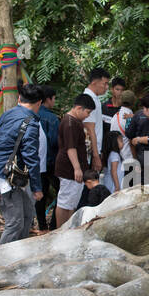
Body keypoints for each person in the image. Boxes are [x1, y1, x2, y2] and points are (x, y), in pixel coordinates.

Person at [0, 84, 44, 244]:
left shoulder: (7, 114)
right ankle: (2, 260)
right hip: (4, 177)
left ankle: (19, 253)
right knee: (15, 222)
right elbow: (31, 157)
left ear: (19, 98)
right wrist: (37, 188)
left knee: (27, 214)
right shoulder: (30, 123)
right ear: (39, 103)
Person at [54, 94, 96, 227]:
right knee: (64, 202)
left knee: (71, 201)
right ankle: (61, 230)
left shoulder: (75, 121)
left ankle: (69, 227)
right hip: (69, 168)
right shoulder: (70, 123)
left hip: (75, 168)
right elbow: (70, 147)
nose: (88, 116)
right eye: (87, 112)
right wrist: (77, 168)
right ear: (78, 108)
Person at [35, 87, 60, 233]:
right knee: (62, 191)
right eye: (54, 98)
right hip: (51, 161)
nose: (54, 101)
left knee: (40, 193)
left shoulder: (33, 114)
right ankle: (54, 225)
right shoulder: (51, 118)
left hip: (36, 163)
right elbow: (55, 141)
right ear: (48, 99)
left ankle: (42, 226)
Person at [82, 67, 109, 173]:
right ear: (94, 82)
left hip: (94, 150)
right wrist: (96, 155)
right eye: (105, 83)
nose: (106, 87)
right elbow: (90, 129)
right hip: (90, 152)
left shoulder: (95, 98)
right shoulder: (89, 99)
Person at [104, 129, 125, 194]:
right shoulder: (114, 155)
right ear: (114, 142)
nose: (123, 143)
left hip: (113, 183)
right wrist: (117, 186)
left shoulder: (113, 154)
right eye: (121, 141)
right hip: (114, 184)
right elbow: (114, 171)